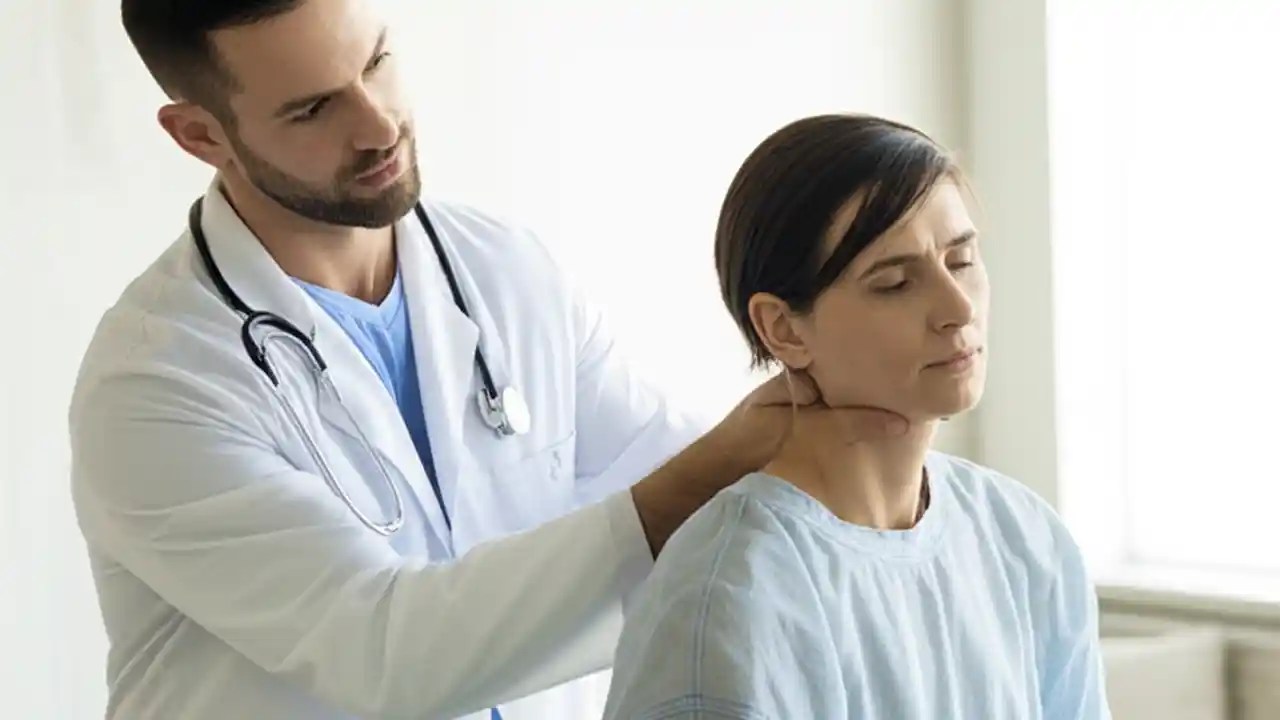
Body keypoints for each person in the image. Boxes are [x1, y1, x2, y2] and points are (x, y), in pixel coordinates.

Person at [68, 3, 911, 720]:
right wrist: (724, 460)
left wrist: (819, 424)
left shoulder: (502, 271)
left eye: (379, 61)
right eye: (314, 109)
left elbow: (668, 475)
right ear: (199, 135)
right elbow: (385, 652)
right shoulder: (157, 383)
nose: (378, 124)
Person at [602, 113, 1112, 719]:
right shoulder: (733, 592)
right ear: (784, 330)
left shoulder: (1025, 538)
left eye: (963, 260)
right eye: (895, 283)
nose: (956, 309)